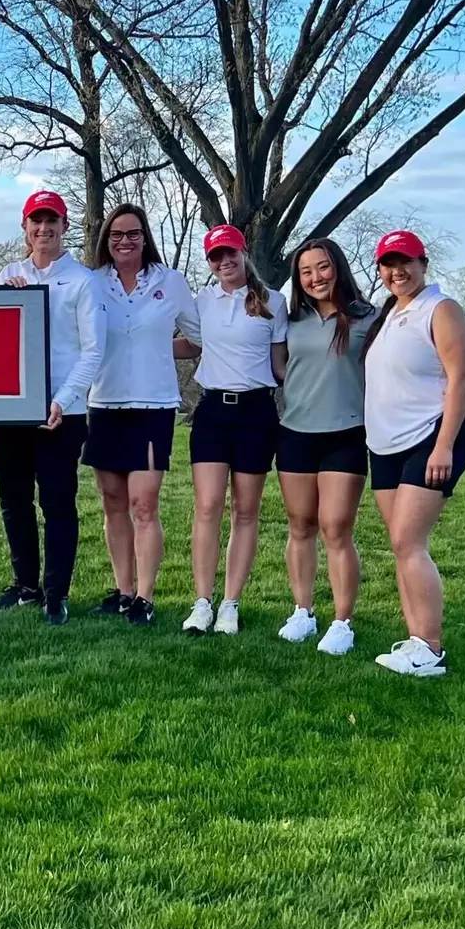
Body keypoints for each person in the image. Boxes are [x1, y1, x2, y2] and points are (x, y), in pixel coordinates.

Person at [0, 189, 107, 626]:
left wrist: (63, 399)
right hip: (12, 411)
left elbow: (93, 351)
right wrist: (8, 296)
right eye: (36, 221)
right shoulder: (8, 274)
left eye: (51, 220)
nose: (43, 229)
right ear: (25, 227)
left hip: (62, 413)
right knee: (13, 498)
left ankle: (56, 592)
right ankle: (25, 587)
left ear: (64, 225)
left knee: (57, 501)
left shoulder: (83, 280)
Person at [363, 229, 465, 677]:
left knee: (409, 541)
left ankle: (430, 648)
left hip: (431, 439)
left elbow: (461, 378)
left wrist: (444, 445)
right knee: (400, 545)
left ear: (423, 262)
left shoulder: (441, 309)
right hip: (386, 444)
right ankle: (415, 641)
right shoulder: (391, 315)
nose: (397, 271)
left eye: (405, 261)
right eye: (388, 264)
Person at [83, 203, 199, 627]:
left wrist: (156, 350)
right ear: (105, 240)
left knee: (143, 504)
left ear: (145, 237)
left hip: (153, 408)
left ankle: (145, 597)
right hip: (104, 404)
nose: (125, 241)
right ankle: (123, 590)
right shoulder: (92, 283)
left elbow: (199, 338)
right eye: (116, 235)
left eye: (133, 234)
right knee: (113, 503)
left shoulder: (170, 282)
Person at [174, 224, 288, 636]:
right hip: (212, 414)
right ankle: (202, 602)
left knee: (245, 511)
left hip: (256, 414)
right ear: (209, 263)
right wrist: (138, 343)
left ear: (244, 253)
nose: (224, 262)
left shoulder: (273, 301)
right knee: (206, 508)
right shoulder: (202, 302)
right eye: (215, 257)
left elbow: (280, 366)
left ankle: (230, 604)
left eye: (230, 253)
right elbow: (191, 344)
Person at [275, 237, 378, 655]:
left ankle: (341, 621)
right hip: (296, 431)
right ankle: (303, 612)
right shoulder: (290, 319)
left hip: (346, 433)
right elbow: (279, 365)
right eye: (306, 271)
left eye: (322, 267)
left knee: (336, 527)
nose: (315, 277)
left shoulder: (368, 317)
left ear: (337, 267)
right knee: (300, 526)